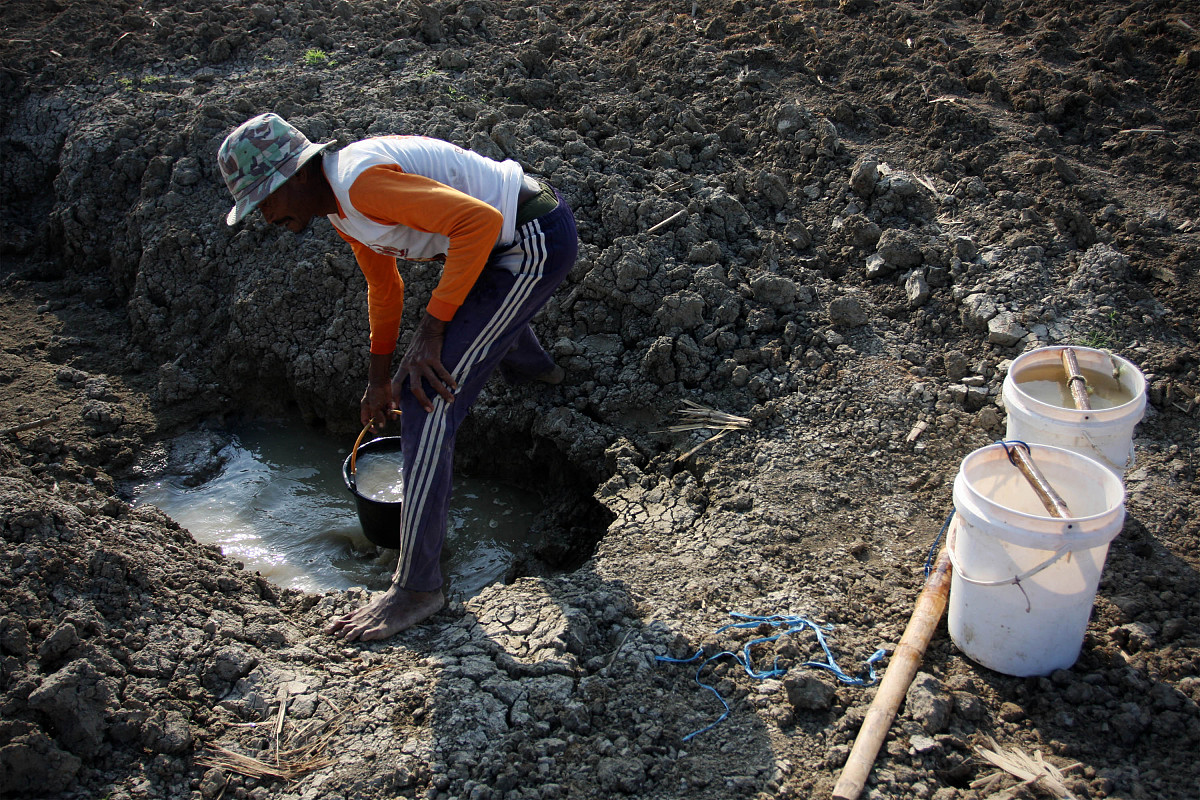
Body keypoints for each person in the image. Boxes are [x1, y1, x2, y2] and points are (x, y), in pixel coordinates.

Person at [217, 113, 577, 641]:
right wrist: (376, 379)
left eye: (264, 201)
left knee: (425, 394)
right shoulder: (340, 210)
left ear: (295, 175)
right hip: (493, 246)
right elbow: (384, 289)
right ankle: (537, 371)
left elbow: (476, 223)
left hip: (531, 243)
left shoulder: (359, 184)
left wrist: (427, 337)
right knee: (448, 346)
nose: (265, 216)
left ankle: (417, 588)